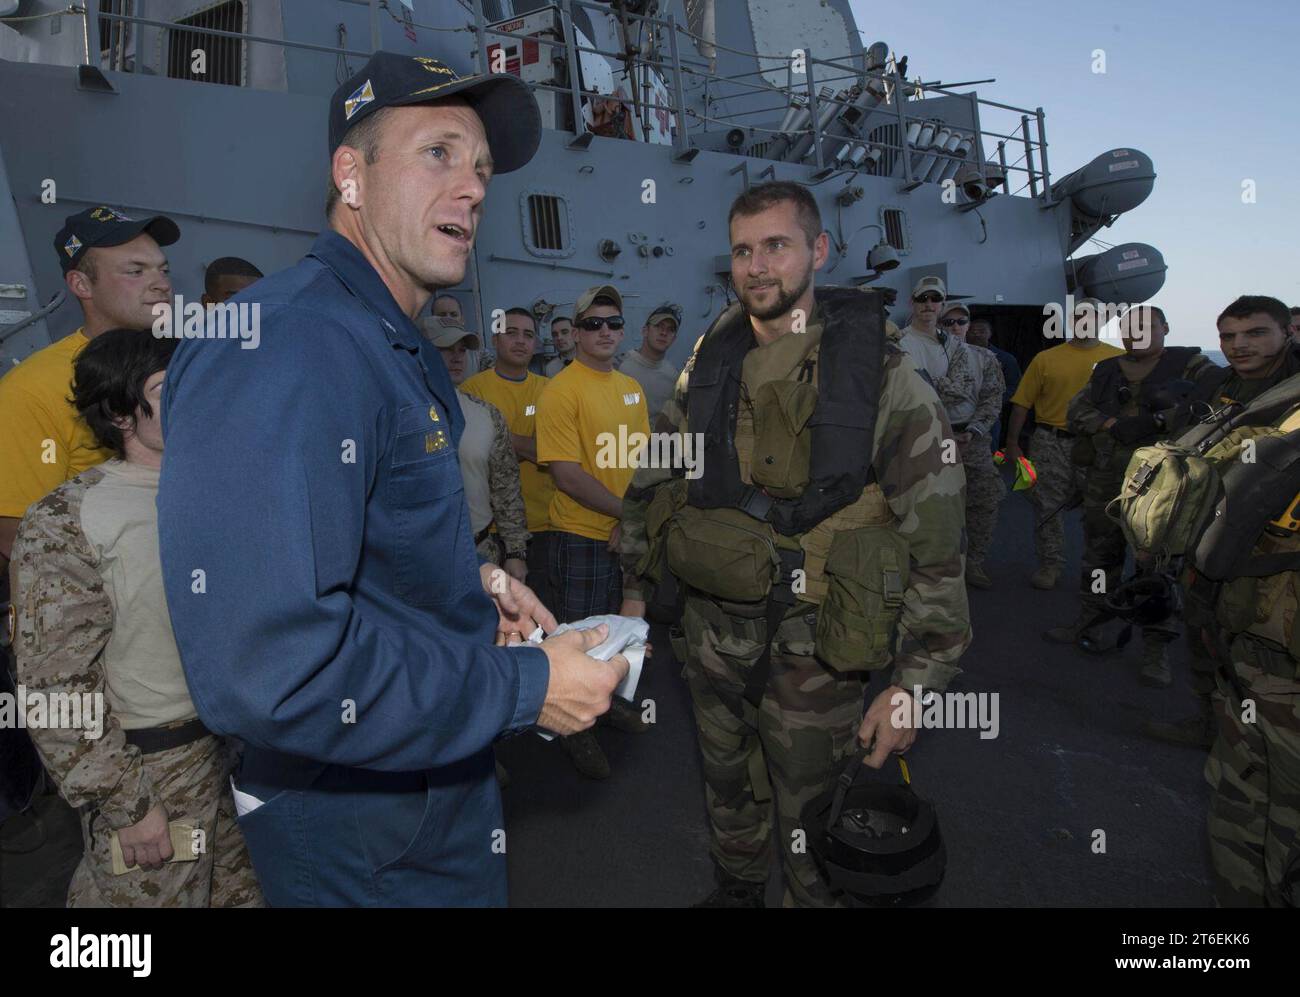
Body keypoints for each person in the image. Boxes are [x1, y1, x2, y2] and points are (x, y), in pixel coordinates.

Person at [156, 52, 627, 907]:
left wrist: (469, 586)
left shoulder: (385, 342)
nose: (475, 188)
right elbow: (276, 669)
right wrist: (529, 686)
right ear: (352, 175)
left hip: (417, 785)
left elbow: (358, 539)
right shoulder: (290, 346)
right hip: (357, 828)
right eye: (438, 153)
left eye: (481, 169)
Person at [621, 181, 970, 907]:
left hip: (814, 651)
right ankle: (737, 890)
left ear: (817, 250)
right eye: (743, 250)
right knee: (727, 785)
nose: (756, 266)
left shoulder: (882, 379)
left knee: (812, 817)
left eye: (776, 245)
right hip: (708, 628)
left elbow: (935, 545)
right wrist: (633, 590)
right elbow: (658, 474)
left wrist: (913, 688)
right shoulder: (710, 361)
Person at [9, 329, 262, 907]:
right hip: (152, 770)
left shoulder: (217, 492)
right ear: (122, 411)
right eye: (169, 388)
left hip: (234, 753)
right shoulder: (68, 520)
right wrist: (125, 803)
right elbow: (55, 685)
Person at [1147, 295, 1300, 749]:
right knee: (1204, 629)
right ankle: (1211, 723)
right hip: (1208, 533)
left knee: (1261, 648)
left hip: (1272, 548)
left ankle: (1257, 741)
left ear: (1286, 333)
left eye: (1256, 333)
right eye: (1229, 336)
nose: (1240, 345)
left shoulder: (1290, 391)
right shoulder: (1216, 383)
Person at [1045, 305, 1225, 689]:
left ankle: (1156, 647)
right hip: (1107, 477)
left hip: (1165, 484)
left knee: (1157, 564)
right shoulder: (1107, 370)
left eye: (1146, 326)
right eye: (1128, 328)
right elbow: (1077, 411)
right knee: (1098, 556)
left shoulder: (1193, 367)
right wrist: (1112, 423)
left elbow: (1213, 412)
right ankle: (1092, 615)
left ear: (1165, 328)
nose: (1136, 333)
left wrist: (1161, 423)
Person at [0, 206, 178, 566]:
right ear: (81, 285)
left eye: (163, 269)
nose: (161, 282)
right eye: (135, 271)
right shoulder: (33, 388)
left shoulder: (189, 362)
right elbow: (17, 532)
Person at [537, 284, 652, 780]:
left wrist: (637, 519)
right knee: (580, 637)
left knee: (622, 632)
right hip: (582, 536)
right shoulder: (561, 390)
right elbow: (567, 475)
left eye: (613, 323)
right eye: (592, 324)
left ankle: (612, 704)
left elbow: (645, 461)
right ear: (577, 333)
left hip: (625, 533)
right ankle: (575, 732)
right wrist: (626, 517)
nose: (604, 331)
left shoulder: (632, 388)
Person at [1004, 299, 1125, 589]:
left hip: (1099, 444)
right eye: (1079, 316)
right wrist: (1012, 443)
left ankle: (1098, 572)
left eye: (1091, 316)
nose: (1085, 321)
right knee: (1047, 506)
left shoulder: (1118, 358)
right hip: (1050, 441)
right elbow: (1022, 404)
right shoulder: (1046, 359)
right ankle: (1051, 564)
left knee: (1100, 511)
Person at [462, 307, 557, 610]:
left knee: (541, 612)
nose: (520, 341)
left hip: (543, 524)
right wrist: (527, 446)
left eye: (528, 335)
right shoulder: (472, 390)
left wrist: (500, 440)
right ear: (495, 339)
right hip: (488, 533)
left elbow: (556, 452)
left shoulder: (551, 391)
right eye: (511, 332)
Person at [422, 316, 529, 578]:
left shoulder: (486, 415)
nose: (456, 358)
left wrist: (515, 553)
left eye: (461, 350)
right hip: (422, 556)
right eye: (445, 350)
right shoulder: (397, 413)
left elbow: (506, 489)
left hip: (480, 553)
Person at [934, 300, 1006, 589]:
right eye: (948, 322)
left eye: (961, 322)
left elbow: (992, 398)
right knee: (934, 503)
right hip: (933, 439)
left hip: (972, 439)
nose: (955, 327)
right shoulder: (924, 354)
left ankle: (973, 561)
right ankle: (937, 563)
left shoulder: (985, 358)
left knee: (984, 500)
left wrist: (973, 432)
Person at [615, 303, 682, 422]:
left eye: (670, 329)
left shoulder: (674, 376)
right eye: (658, 326)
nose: (664, 333)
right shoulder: (620, 366)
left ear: (674, 339)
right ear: (645, 331)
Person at [966, 317, 1020, 448]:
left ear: (990, 334)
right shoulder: (957, 356)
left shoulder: (1005, 359)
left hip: (989, 418)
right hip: (963, 416)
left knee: (989, 454)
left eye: (982, 331)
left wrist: (993, 403)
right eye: (972, 331)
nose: (977, 334)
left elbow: (1014, 386)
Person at [433, 293, 482, 373]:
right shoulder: (423, 351)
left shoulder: (478, 357)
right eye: (442, 315)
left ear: (462, 320)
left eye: (454, 315)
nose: (448, 319)